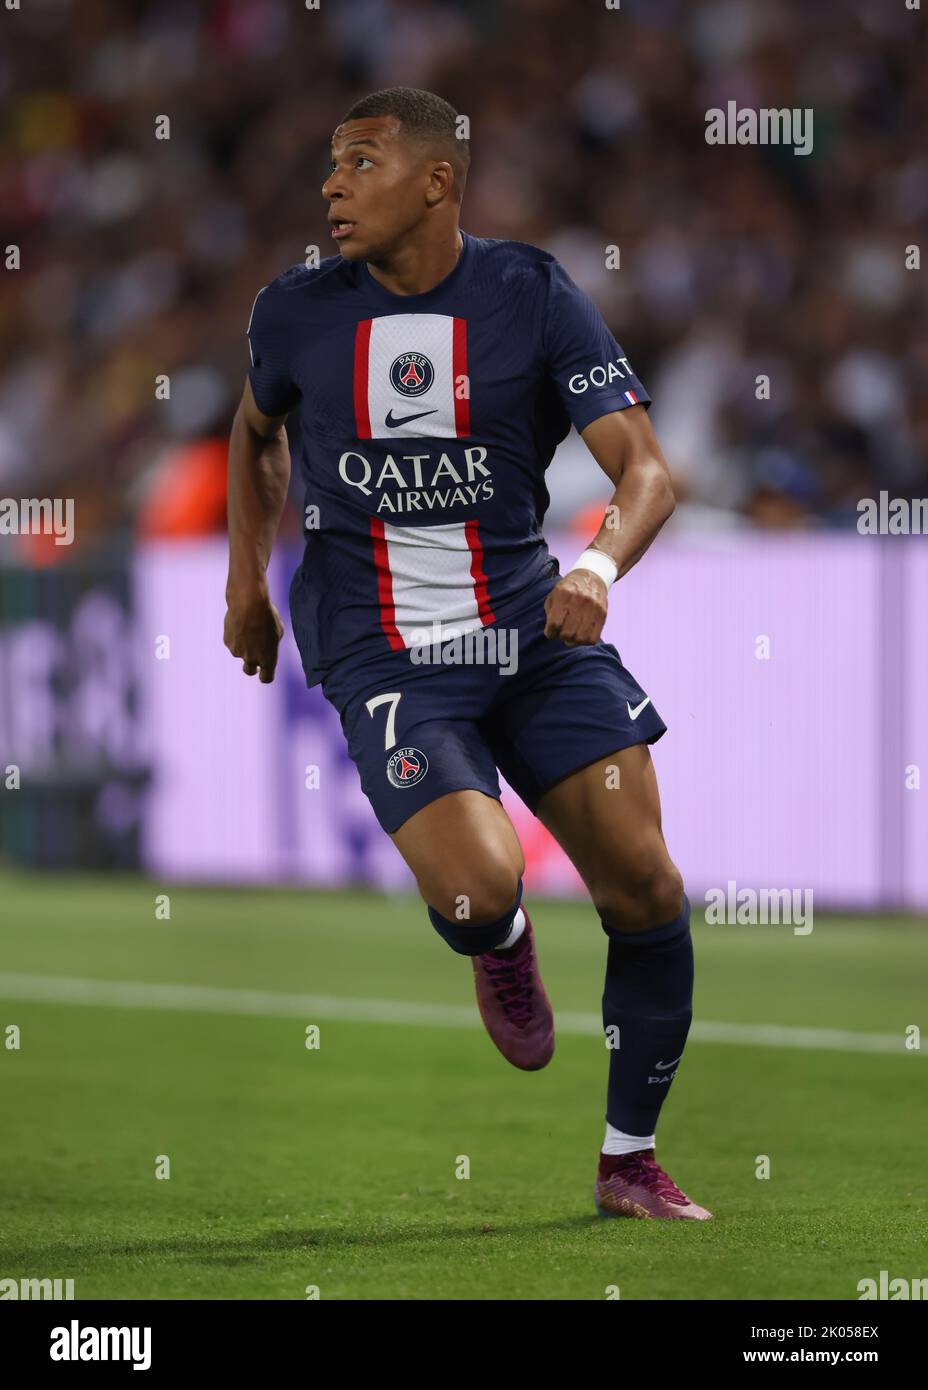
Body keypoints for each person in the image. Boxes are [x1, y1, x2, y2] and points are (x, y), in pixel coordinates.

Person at [224, 87, 711, 1220]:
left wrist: (593, 571)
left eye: (362, 161)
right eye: (330, 163)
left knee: (645, 881)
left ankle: (629, 1163)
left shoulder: (529, 294)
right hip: (383, 651)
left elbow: (645, 470)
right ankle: (497, 937)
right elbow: (255, 430)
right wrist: (246, 578)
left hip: (530, 630)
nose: (333, 185)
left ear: (438, 181)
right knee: (482, 879)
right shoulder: (294, 312)